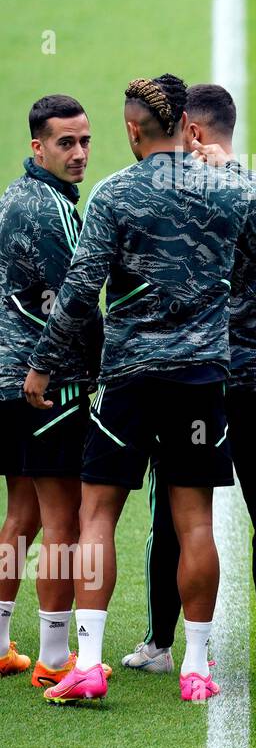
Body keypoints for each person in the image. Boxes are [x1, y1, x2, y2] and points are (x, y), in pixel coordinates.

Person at [26, 74, 256, 704]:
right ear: (188, 126)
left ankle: (85, 661)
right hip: (200, 383)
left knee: (97, 514)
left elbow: (81, 294)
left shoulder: (113, 193)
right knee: (194, 520)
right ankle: (196, 665)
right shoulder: (227, 189)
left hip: (130, 380)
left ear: (134, 129)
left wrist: (45, 363)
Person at [120, 85, 256, 676]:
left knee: (174, 510)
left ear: (190, 129)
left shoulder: (165, 198)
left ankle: (158, 645)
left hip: (189, 383)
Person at [0, 96, 103, 688]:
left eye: (85, 140)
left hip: (7, 382)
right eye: (66, 143)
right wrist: (97, 369)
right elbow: (77, 304)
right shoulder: (54, 211)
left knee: (20, 515)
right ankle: (57, 658)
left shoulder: (14, 196)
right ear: (38, 146)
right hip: (47, 386)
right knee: (63, 519)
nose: (80, 153)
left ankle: (0, 642)